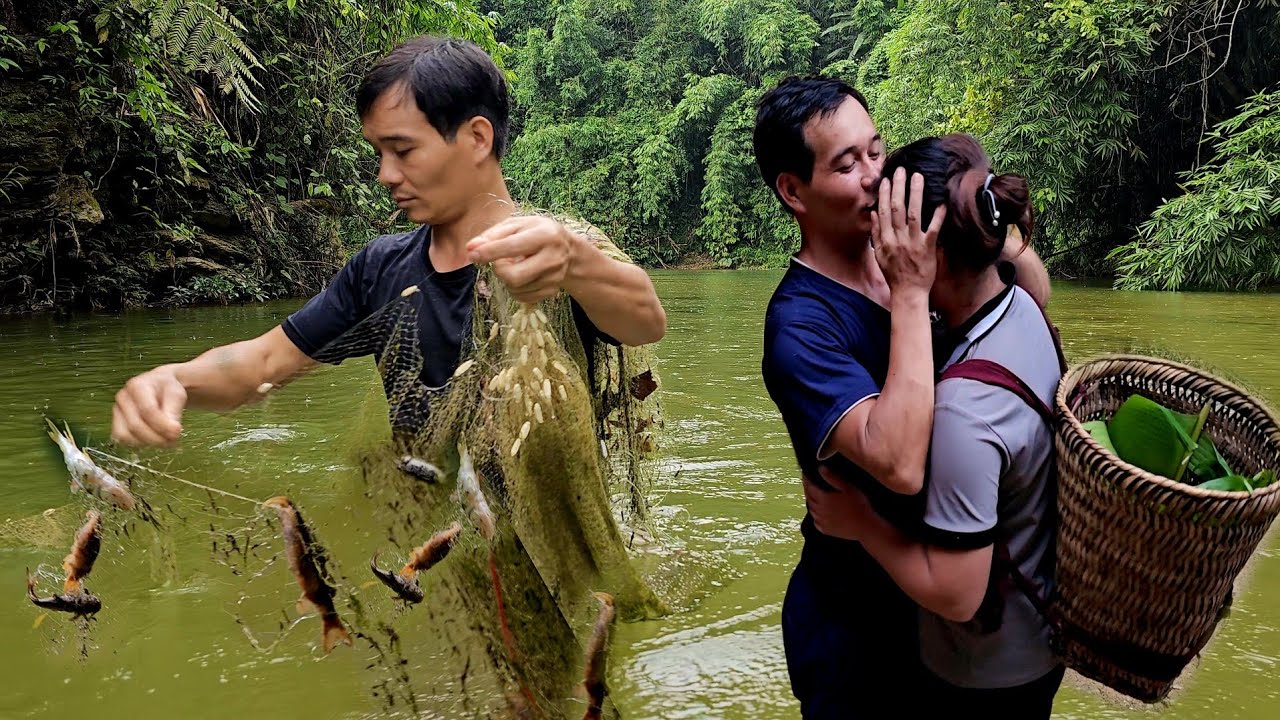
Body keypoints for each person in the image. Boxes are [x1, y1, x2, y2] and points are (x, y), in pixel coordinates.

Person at [109, 36, 665, 447]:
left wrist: (576, 264)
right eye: (379, 153)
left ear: (476, 137)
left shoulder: (555, 252)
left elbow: (645, 319)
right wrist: (173, 379)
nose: (385, 174)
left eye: (403, 151)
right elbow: (261, 364)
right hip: (430, 548)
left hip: (554, 538)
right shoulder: (381, 272)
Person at [753, 76, 1051, 718]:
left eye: (875, 151)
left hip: (945, 608)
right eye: (845, 163)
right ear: (792, 190)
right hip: (858, 627)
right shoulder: (801, 327)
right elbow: (898, 460)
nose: (873, 175)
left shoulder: (908, 247)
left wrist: (983, 216)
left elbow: (1027, 297)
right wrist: (911, 294)